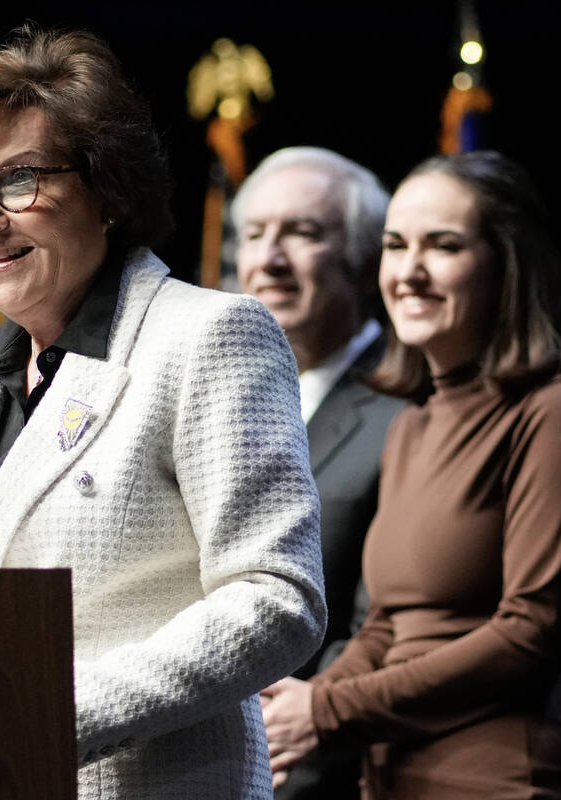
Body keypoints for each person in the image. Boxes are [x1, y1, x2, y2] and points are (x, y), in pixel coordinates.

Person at [0, 26, 326, 800]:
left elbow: (276, 596)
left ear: (109, 189)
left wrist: (50, 717)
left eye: (19, 179)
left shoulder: (207, 337)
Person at [261, 150, 561, 799]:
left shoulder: (554, 412)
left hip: (504, 782)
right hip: (392, 780)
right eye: (396, 246)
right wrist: (300, 705)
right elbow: (385, 625)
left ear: (505, 265)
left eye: (443, 246)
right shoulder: (411, 426)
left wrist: (329, 709)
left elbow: (531, 632)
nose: (410, 273)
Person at [233, 148, 407, 799]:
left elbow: (399, 616)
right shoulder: (216, 399)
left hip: (324, 771)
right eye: (255, 234)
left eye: (302, 233)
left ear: (363, 264)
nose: (269, 259)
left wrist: (303, 732)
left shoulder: (412, 406)